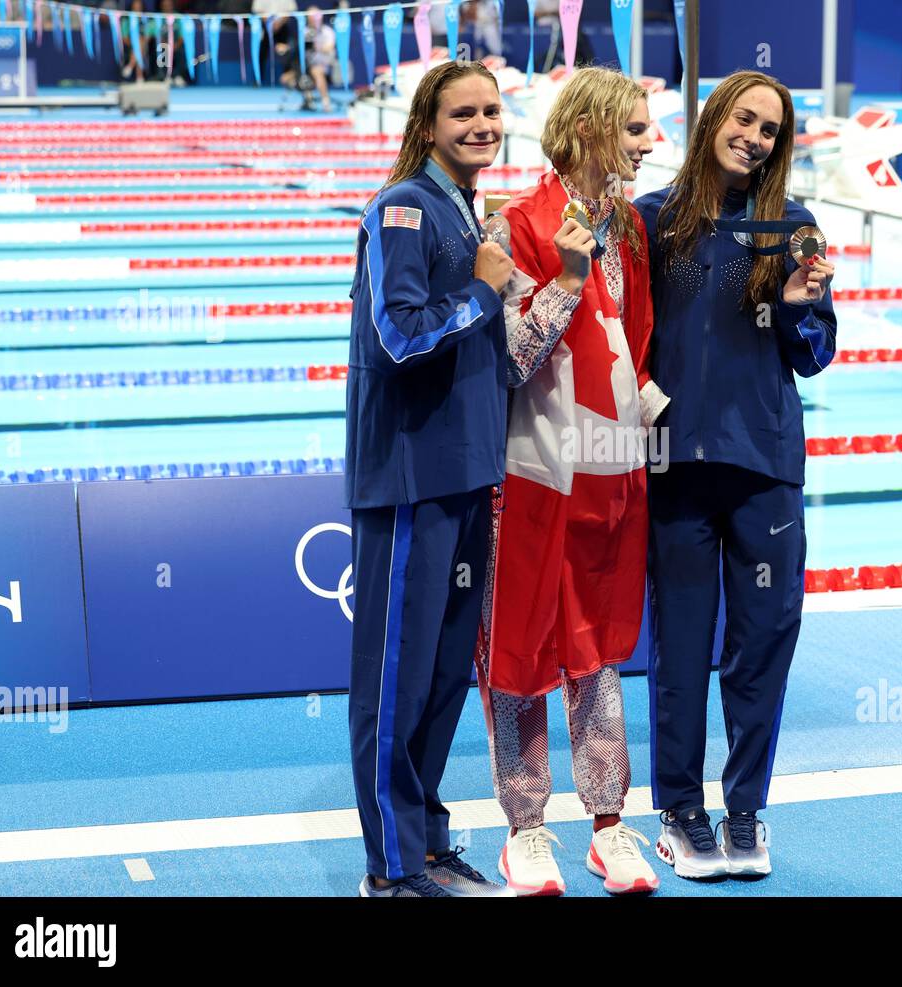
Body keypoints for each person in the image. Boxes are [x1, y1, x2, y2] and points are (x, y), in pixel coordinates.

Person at [634, 70, 837, 881]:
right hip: (676, 467)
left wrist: (793, 303)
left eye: (769, 130)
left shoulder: (792, 227)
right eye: (744, 119)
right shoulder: (650, 222)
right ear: (715, 116)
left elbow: (816, 355)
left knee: (762, 645)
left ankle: (745, 808)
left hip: (764, 469)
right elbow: (618, 346)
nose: (753, 137)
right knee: (681, 649)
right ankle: (680, 810)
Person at [471, 66, 662, 896]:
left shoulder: (631, 229)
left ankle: (611, 822)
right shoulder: (517, 223)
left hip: (615, 474)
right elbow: (507, 360)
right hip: (538, 475)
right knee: (520, 651)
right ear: (587, 131)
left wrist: (656, 418)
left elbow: (640, 347)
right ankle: (526, 829)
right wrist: (568, 282)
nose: (650, 144)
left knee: (600, 653)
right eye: (634, 131)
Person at [345, 59, 516, 898]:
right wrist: (485, 295)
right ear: (428, 123)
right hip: (411, 480)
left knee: (447, 675)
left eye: (491, 111)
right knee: (397, 679)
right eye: (463, 113)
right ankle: (392, 866)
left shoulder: (463, 208)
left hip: (466, 475)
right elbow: (400, 335)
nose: (482, 124)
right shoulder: (405, 207)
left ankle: (428, 839)